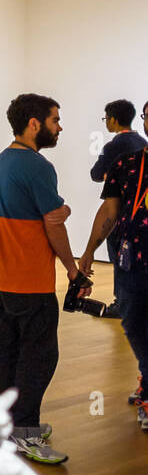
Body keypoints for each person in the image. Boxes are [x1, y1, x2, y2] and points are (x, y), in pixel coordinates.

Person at [0, 93, 86, 464]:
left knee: (10, 349)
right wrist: (73, 270)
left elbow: (43, 212)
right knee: (40, 355)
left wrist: (58, 211)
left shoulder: (0, 161)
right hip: (29, 281)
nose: (60, 128)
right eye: (55, 120)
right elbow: (53, 224)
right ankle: (25, 431)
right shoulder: (37, 166)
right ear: (34, 123)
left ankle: (8, 424)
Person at [80, 127, 148, 430]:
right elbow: (110, 210)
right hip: (131, 261)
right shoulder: (124, 164)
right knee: (133, 323)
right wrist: (88, 251)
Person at [89, 99, 146, 319]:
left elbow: (96, 174)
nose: (106, 123)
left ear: (113, 119)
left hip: (121, 212)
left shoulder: (114, 146)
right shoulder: (141, 141)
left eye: (106, 119)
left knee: (119, 258)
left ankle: (122, 304)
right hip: (141, 213)